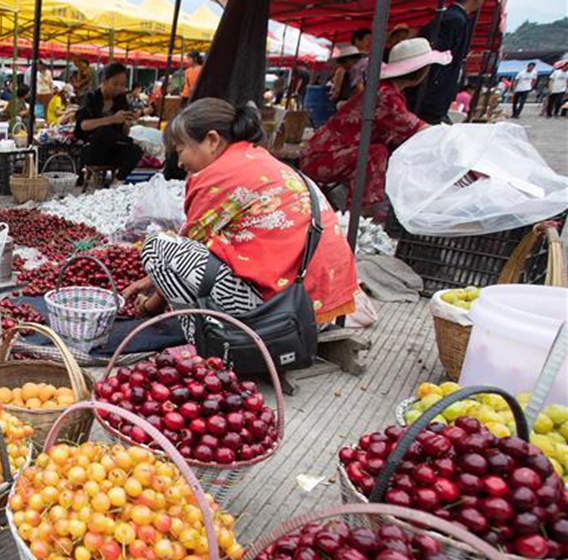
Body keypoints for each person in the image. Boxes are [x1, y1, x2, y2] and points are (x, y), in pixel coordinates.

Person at [121, 99, 358, 338]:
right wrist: (152, 281)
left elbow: (185, 252)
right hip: (316, 312)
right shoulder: (257, 160)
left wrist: (150, 306)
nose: (180, 162)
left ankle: (208, 344)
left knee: (156, 247)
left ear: (212, 140)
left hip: (282, 318)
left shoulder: (218, 176)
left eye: (181, 149)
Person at [301, 38, 447, 215]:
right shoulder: (386, 96)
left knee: (380, 152)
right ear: (420, 71)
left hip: (326, 155)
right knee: (376, 153)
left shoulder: (388, 92)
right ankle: (361, 216)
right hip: (321, 159)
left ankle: (363, 214)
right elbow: (416, 128)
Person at [413, 0, 484, 124]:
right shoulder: (454, 19)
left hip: (434, 97)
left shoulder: (455, 17)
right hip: (431, 98)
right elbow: (435, 60)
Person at [75, 63, 143, 181]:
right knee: (103, 132)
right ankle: (132, 142)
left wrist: (126, 124)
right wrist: (112, 119)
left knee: (136, 150)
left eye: (122, 85)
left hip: (113, 151)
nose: (119, 88)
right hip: (93, 151)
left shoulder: (121, 101)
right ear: (105, 81)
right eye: (115, 84)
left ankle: (117, 181)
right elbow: (83, 125)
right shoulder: (91, 97)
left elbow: (121, 135)